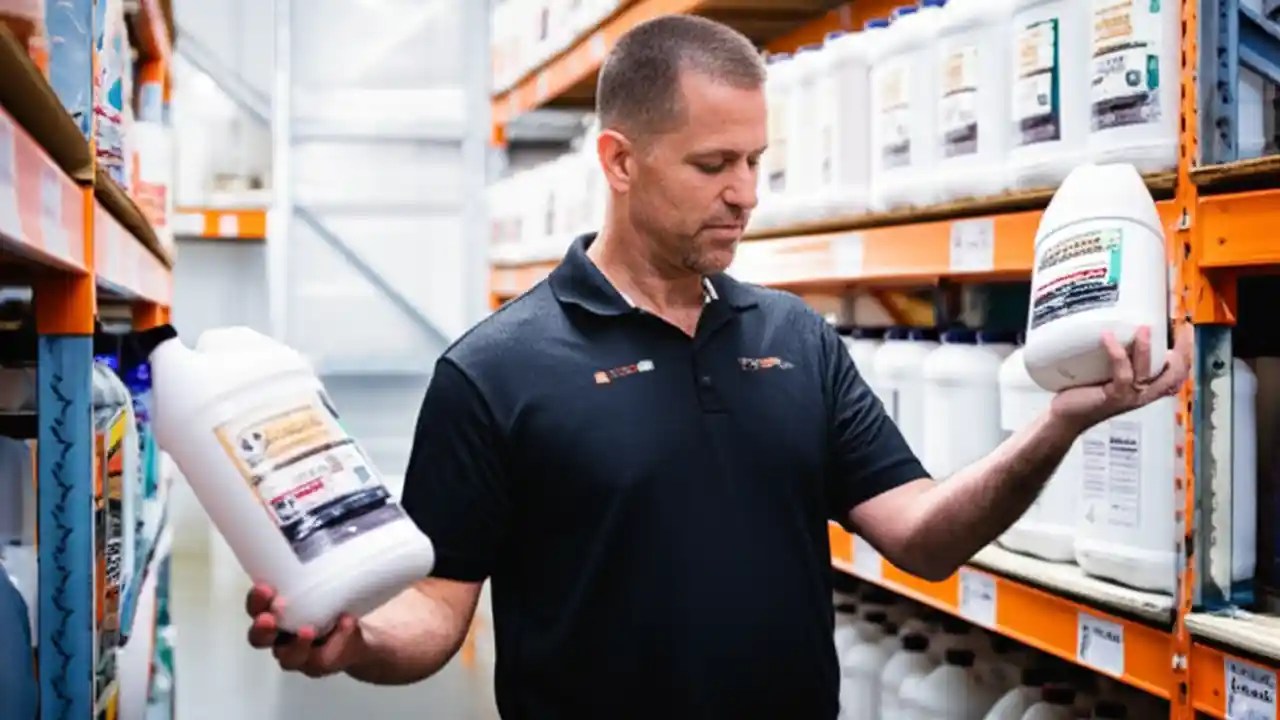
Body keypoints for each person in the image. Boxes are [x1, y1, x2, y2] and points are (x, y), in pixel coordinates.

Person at [242, 13, 1192, 719]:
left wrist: (1061, 421)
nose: (745, 195)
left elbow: (925, 539)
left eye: (756, 162)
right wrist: (355, 641)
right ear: (618, 160)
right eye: (712, 166)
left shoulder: (798, 340)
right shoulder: (495, 372)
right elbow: (435, 616)